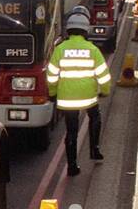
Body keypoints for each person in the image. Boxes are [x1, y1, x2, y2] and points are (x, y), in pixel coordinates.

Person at [46, 11, 112, 176]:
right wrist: (104, 91)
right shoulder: (93, 50)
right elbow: (103, 75)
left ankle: (72, 166)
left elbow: (52, 75)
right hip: (89, 98)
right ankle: (95, 149)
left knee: (71, 132)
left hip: (67, 100)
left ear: (68, 30)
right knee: (95, 118)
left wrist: (53, 93)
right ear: (86, 30)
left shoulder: (60, 50)